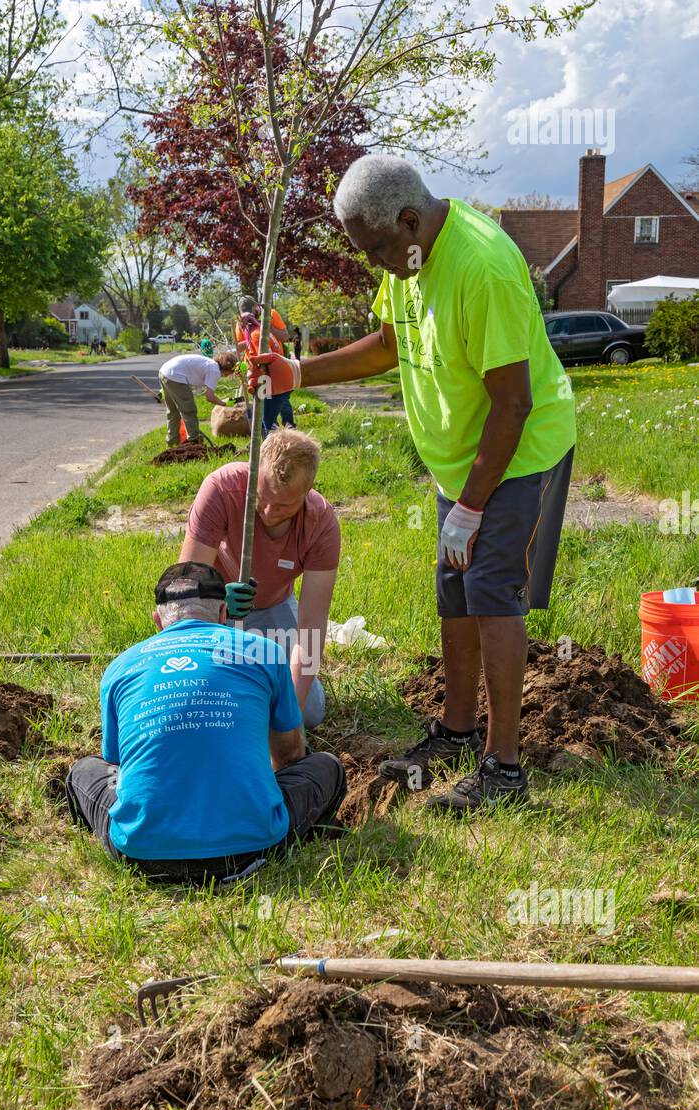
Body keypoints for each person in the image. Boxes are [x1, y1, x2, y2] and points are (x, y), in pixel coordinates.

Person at [250, 154, 576, 813]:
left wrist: (473, 506)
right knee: (453, 590)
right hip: (460, 461)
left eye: (375, 250)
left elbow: (513, 405)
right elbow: (387, 342)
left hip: (516, 452)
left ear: (408, 221)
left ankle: (504, 770)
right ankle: (458, 729)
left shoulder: (482, 268)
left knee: (490, 590)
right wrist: (297, 374)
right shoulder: (409, 259)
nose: (375, 264)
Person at [64, 562, 347, 884]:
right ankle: (294, 839)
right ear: (225, 612)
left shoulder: (120, 666)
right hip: (251, 849)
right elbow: (290, 756)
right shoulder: (264, 651)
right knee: (327, 767)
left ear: (158, 621)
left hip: (142, 855)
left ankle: (141, 839)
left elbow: (116, 764)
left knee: (83, 771)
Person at [180, 429, 339, 728]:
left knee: (308, 712)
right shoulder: (221, 488)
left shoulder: (321, 524)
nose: (267, 511)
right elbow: (185, 587)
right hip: (212, 610)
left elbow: (311, 626)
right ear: (255, 473)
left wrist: (288, 718)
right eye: (262, 497)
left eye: (282, 506)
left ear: (306, 494)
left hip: (272, 607)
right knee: (204, 700)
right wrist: (214, 597)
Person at [235, 296, 295, 432]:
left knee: (277, 401)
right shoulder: (242, 325)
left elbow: (285, 336)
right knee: (265, 404)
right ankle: (268, 431)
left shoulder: (271, 315)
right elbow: (243, 347)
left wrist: (264, 326)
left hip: (271, 369)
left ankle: (286, 428)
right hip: (259, 372)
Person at [158, 349, 237, 446]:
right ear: (228, 368)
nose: (229, 375)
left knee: (173, 413)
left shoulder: (209, 364)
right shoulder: (214, 370)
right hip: (175, 376)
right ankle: (194, 442)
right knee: (189, 411)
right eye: (231, 372)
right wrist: (225, 403)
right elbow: (209, 396)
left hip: (165, 372)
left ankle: (172, 443)